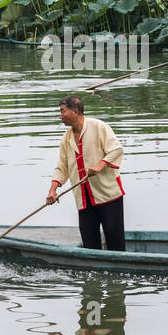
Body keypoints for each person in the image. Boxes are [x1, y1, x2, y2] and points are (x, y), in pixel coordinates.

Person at [47, 95, 125, 251]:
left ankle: (120, 270)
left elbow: (116, 150)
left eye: (62, 111)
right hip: (84, 198)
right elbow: (62, 166)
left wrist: (100, 165)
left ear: (75, 111)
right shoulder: (66, 138)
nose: (60, 116)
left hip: (107, 194)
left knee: (115, 241)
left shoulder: (99, 126)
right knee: (89, 243)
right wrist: (53, 190)